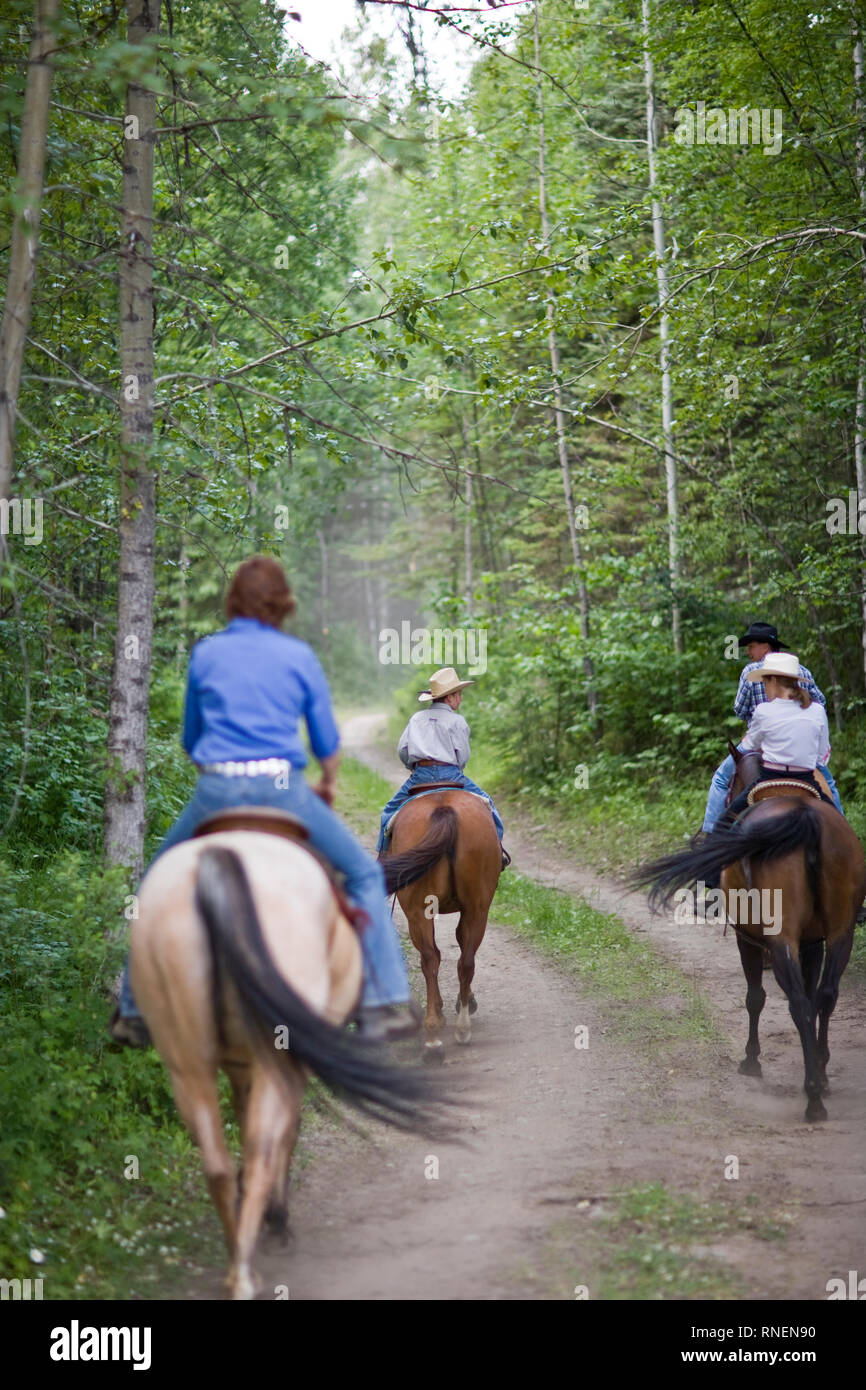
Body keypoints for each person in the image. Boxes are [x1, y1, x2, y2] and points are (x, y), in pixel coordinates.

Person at [110, 556, 418, 1047]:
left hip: (216, 792)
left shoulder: (206, 654)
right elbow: (325, 743)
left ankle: (134, 1010)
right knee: (362, 874)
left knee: (152, 882)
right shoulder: (297, 656)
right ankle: (382, 1002)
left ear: (232, 600)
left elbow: (192, 739)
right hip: (284, 790)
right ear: (281, 604)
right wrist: (329, 783)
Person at [701, 621, 842, 833]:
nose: (748, 651)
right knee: (829, 785)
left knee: (721, 779)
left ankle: (710, 834)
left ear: (765, 647)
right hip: (804, 760)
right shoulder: (803, 672)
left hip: (764, 749)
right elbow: (820, 702)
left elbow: (740, 710)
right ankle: (842, 827)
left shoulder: (751, 672)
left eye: (751, 646)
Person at [377, 666, 510, 869]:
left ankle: (383, 857)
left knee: (388, 813)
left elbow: (403, 750)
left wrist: (412, 766)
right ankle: (496, 852)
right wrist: (454, 769)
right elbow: (462, 756)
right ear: (449, 698)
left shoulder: (416, 719)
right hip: (452, 774)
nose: (461, 699)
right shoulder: (457, 721)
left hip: (420, 775)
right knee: (489, 806)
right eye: (459, 695)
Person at [719, 652, 835, 822]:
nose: (764, 688)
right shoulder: (817, 710)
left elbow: (750, 745)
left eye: (764, 682)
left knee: (724, 823)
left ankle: (710, 843)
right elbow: (822, 756)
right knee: (837, 821)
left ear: (773, 680)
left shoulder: (763, 710)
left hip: (768, 779)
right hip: (807, 781)